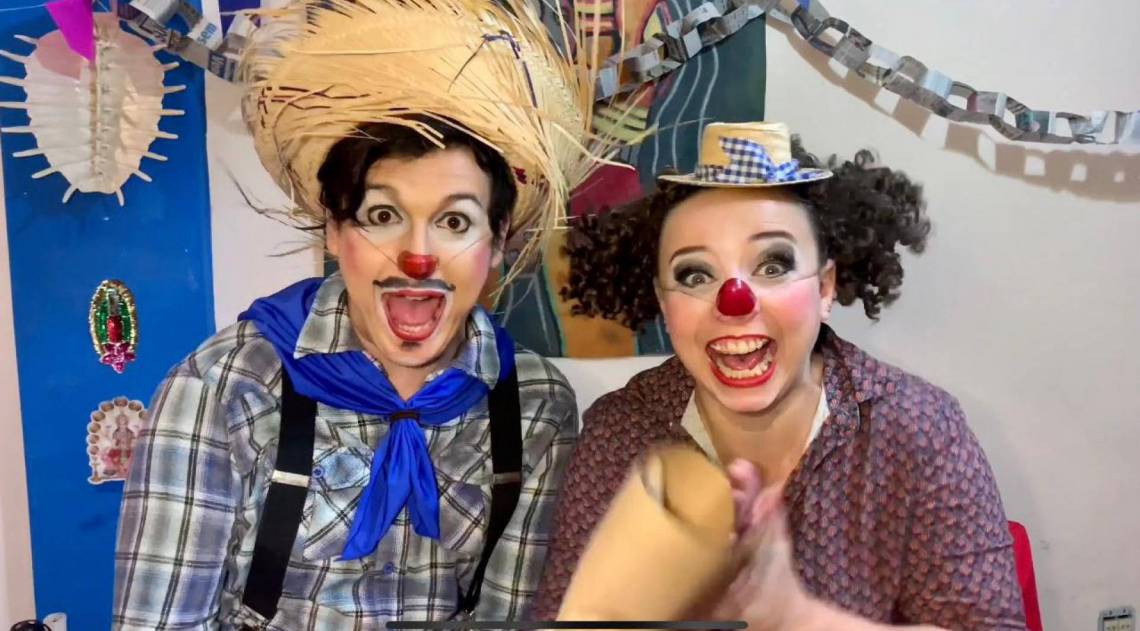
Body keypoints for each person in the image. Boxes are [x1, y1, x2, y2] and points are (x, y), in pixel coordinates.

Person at [112, 0, 624, 626]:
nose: (417, 256)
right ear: (333, 229)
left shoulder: (536, 406)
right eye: (382, 215)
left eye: (455, 221)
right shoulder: (224, 388)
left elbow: (506, 617)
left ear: (497, 241)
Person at [534, 122, 1027, 629]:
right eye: (695, 274)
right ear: (663, 301)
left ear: (825, 288)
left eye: (773, 265)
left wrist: (792, 615)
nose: (734, 302)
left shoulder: (919, 429)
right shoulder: (620, 432)